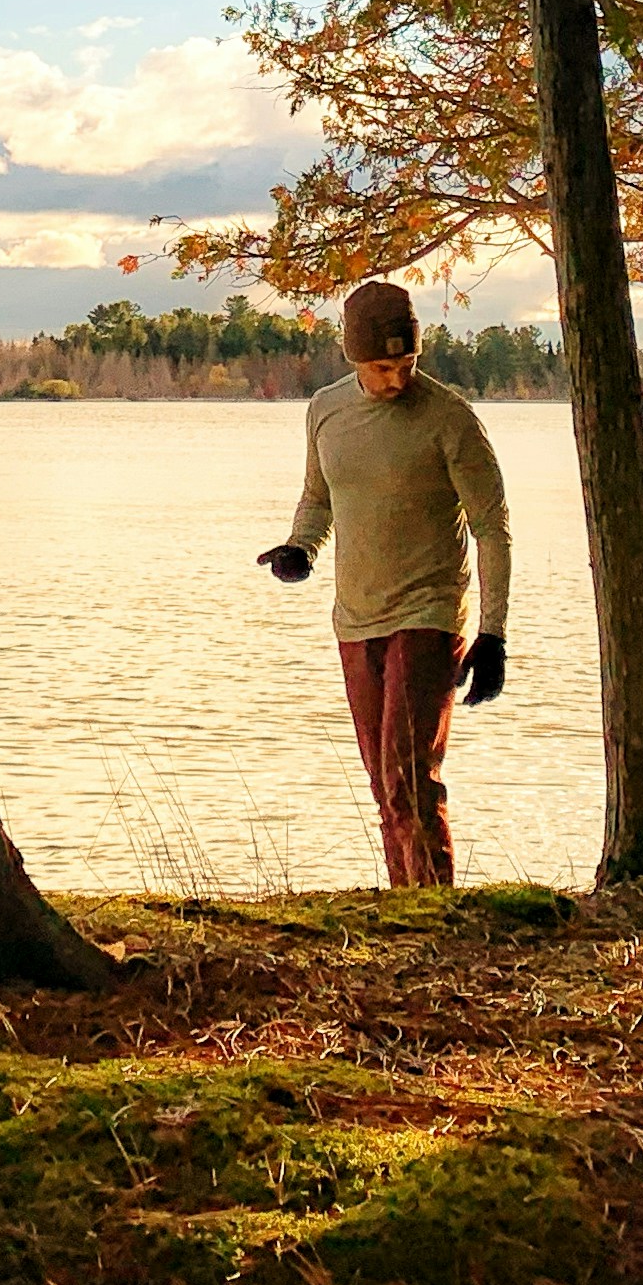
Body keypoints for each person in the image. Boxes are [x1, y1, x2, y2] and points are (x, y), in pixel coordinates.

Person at [256, 281, 510, 886]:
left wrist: (493, 633)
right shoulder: (326, 410)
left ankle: (434, 907)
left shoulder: (449, 418)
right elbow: (319, 497)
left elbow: (492, 527)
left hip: (429, 611)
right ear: (354, 360)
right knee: (382, 782)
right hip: (355, 616)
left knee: (409, 775)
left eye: (407, 363)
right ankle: (411, 906)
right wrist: (300, 546)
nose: (398, 379)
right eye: (383, 367)